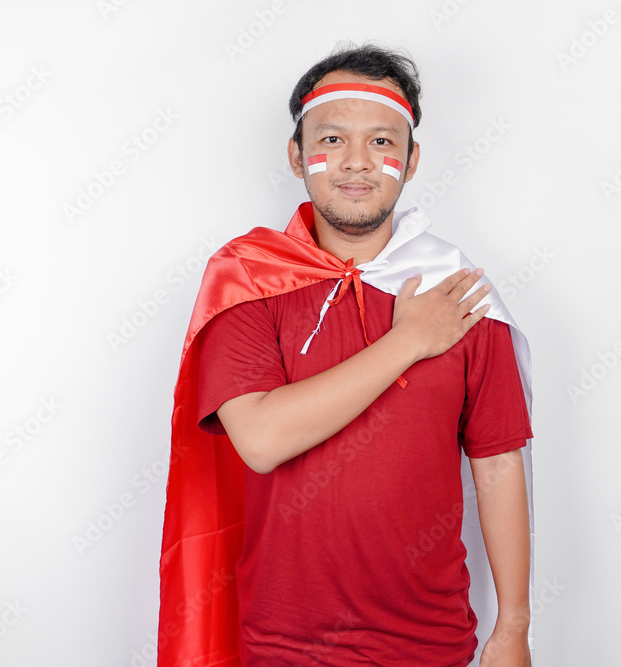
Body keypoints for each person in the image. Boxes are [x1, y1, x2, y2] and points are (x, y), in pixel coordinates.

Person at [158, 43, 534, 666]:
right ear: (297, 154)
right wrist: (409, 341)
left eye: (383, 142)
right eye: (331, 138)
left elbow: (497, 466)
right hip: (281, 646)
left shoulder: (459, 295)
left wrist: (514, 628)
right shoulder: (247, 280)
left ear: (411, 161)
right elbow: (262, 437)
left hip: (431, 644)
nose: (356, 162)